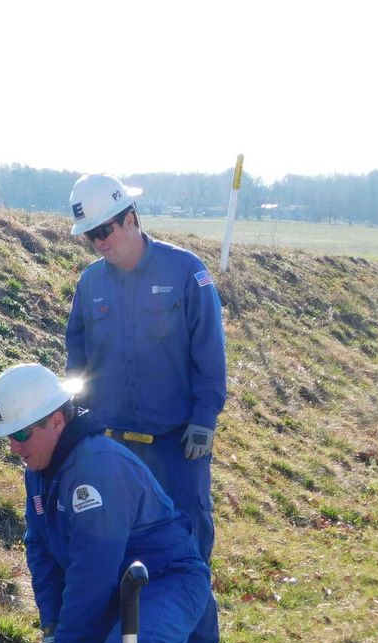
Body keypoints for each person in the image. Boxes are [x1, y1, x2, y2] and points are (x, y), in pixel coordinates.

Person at [0, 363, 260, 643]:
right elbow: (40, 549)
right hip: (117, 595)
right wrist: (54, 629)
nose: (14, 446)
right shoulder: (39, 472)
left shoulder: (96, 468)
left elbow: (91, 573)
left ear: (56, 420)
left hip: (165, 582)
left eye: (22, 433)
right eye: (9, 435)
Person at [64, 173, 226, 564]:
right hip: (112, 446)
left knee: (187, 550)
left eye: (105, 229)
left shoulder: (186, 272)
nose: (100, 241)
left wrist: (204, 419)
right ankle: (130, 627)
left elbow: (210, 352)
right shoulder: (89, 284)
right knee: (117, 552)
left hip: (176, 447)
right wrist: (78, 423)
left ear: (130, 217)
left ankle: (193, 626)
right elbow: (77, 360)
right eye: (91, 235)